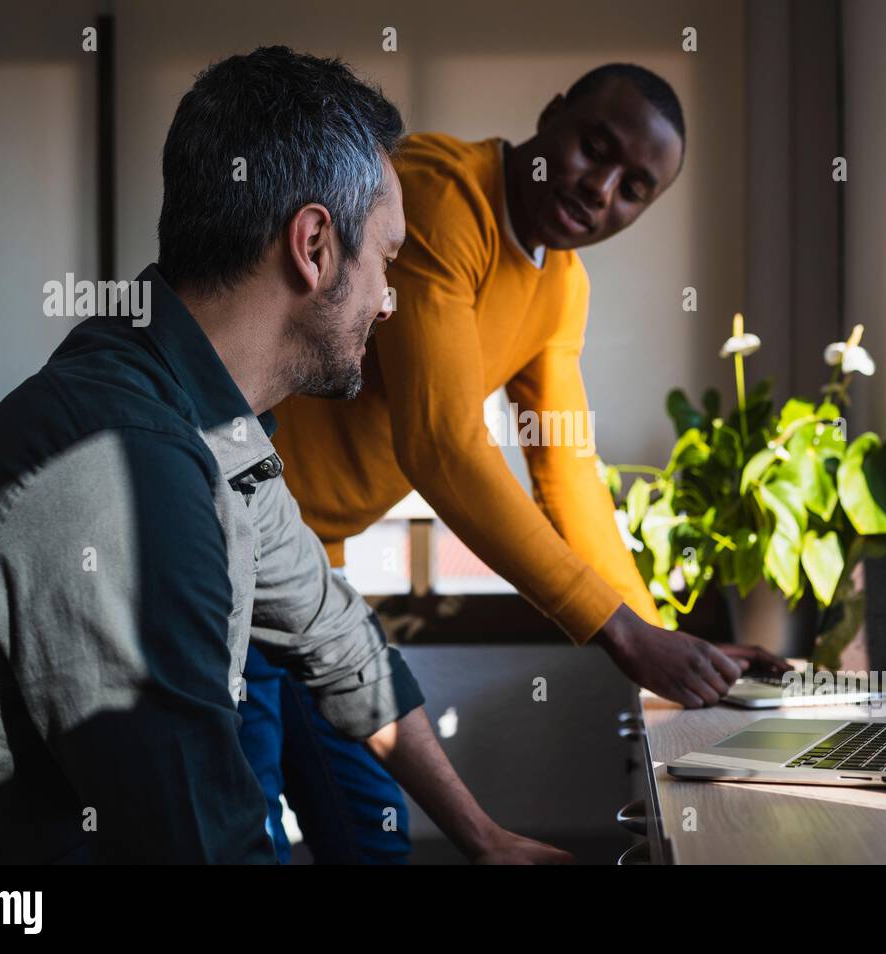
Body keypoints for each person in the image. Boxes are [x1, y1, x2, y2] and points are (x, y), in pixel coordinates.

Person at [0, 46, 570, 865]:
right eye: (387, 261)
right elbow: (196, 837)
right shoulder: (120, 459)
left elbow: (338, 639)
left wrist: (488, 841)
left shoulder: (210, 422)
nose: (391, 301)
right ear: (315, 245)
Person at [257, 64, 791, 862]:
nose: (601, 187)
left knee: (370, 834)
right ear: (551, 116)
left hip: (315, 566)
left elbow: (566, 467)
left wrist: (658, 636)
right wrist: (619, 635)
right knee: (241, 831)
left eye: (634, 187)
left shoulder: (561, 287)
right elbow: (441, 446)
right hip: (241, 542)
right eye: (594, 148)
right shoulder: (445, 198)